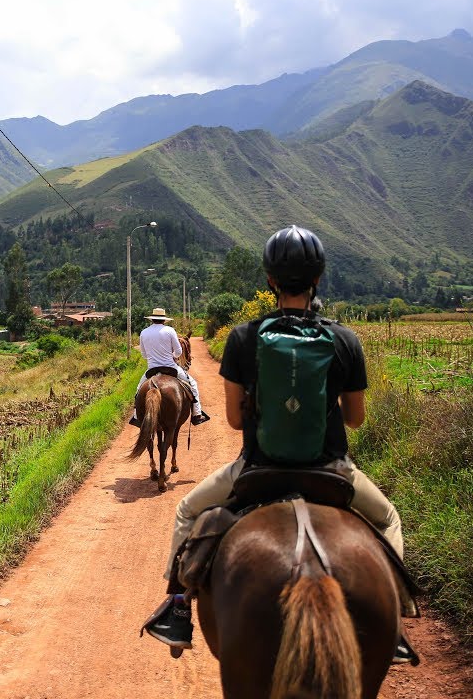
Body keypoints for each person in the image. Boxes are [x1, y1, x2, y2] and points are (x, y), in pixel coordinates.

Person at [141, 225, 414, 664]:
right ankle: (396, 624)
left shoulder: (244, 337)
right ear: (318, 280)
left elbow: (232, 420)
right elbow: (356, 419)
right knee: (388, 519)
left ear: (270, 280)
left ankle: (176, 610)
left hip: (257, 470)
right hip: (332, 471)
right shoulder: (344, 340)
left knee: (186, 511)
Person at [130, 308, 210, 426]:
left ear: (152, 319)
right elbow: (178, 351)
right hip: (170, 367)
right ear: (164, 320)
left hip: (151, 369)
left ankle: (137, 417)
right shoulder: (170, 330)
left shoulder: (144, 332)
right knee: (193, 384)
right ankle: (197, 414)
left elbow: (144, 355)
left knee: (138, 390)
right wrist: (171, 355)